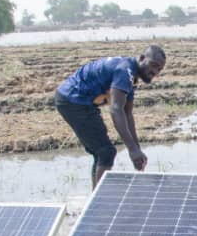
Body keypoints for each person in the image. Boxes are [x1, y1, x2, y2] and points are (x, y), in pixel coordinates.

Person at [55, 45, 167, 188]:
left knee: (102, 153)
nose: (155, 72)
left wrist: (137, 150)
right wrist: (132, 150)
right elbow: (116, 109)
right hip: (73, 100)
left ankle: (94, 201)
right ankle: (97, 205)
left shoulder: (131, 76)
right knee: (105, 152)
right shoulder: (124, 71)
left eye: (159, 69)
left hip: (82, 102)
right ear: (141, 58)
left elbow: (127, 114)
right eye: (153, 65)